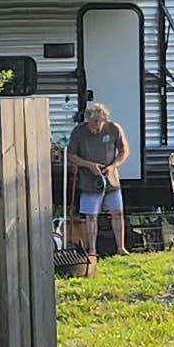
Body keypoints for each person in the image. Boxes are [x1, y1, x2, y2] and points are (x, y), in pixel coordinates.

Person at [65, 96, 130, 272]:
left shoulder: (114, 129)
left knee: (117, 213)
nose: (96, 126)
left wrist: (114, 166)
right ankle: (92, 250)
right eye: (93, 122)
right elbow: (71, 155)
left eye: (100, 122)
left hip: (111, 178)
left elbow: (124, 150)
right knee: (91, 216)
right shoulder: (79, 132)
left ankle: (120, 248)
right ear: (88, 119)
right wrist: (89, 165)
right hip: (89, 180)